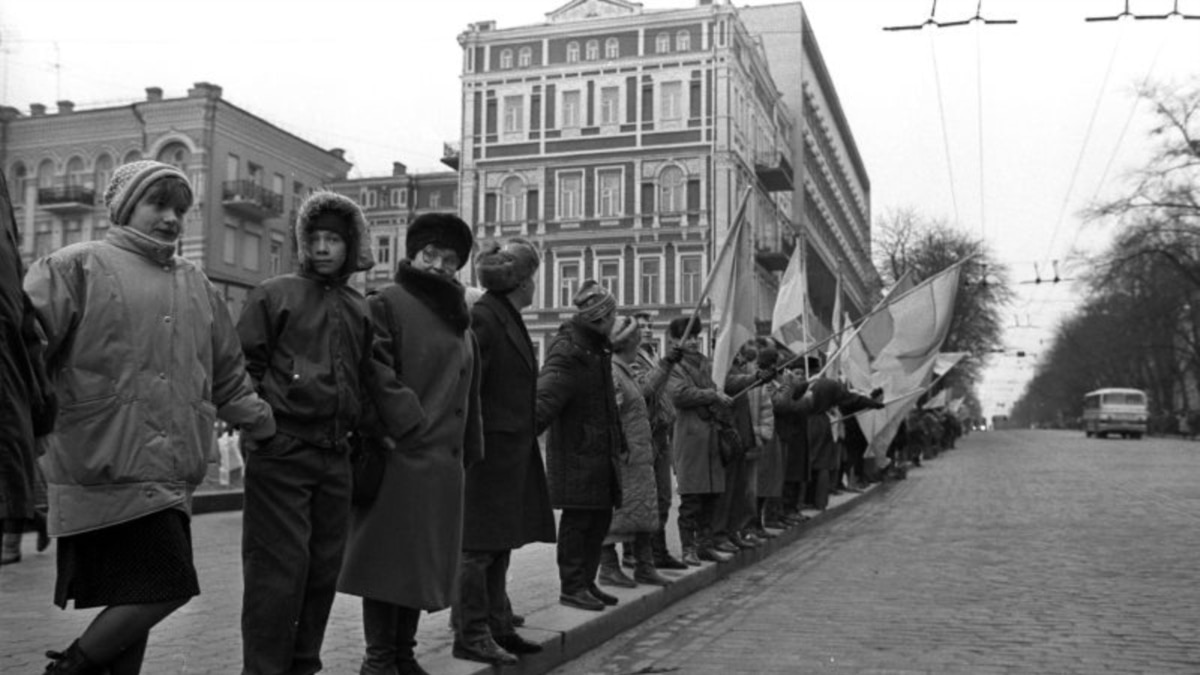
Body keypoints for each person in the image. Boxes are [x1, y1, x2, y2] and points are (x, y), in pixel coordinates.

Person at [25, 161, 276, 674]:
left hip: (169, 471)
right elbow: (29, 355)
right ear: (124, 208)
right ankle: (67, 669)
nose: (170, 219)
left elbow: (226, 371)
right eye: (157, 204)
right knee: (164, 588)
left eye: (180, 210)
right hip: (102, 463)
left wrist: (259, 419)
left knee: (135, 601)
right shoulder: (76, 266)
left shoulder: (197, 284)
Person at [238, 191, 425, 675]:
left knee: (322, 572)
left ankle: (304, 665)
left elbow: (366, 376)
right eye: (315, 238)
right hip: (282, 453)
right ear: (303, 242)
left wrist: (385, 431)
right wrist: (262, 428)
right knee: (277, 573)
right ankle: (263, 670)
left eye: (334, 240)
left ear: (350, 246)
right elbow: (243, 368)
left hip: (335, 456)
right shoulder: (274, 294)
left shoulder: (357, 305)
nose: (323, 248)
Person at [338, 212, 481, 675]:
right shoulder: (387, 302)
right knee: (388, 564)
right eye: (431, 255)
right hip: (400, 455)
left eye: (450, 259)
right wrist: (407, 425)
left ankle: (404, 654)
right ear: (413, 254)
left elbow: (467, 386)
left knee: (419, 563)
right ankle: (379, 661)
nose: (440, 265)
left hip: (442, 463)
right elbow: (371, 368)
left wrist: (469, 448)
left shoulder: (457, 312)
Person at [450, 239, 555, 665]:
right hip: (486, 454)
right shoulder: (486, 319)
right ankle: (471, 633)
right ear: (523, 282)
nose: (535, 288)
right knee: (477, 548)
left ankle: (499, 627)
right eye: (533, 279)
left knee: (499, 543)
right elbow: (470, 386)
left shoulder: (502, 315)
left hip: (506, 453)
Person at [536, 280, 626, 612]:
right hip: (577, 452)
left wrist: (619, 438)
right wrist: (524, 432)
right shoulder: (569, 348)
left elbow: (605, 402)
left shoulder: (596, 346)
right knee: (578, 523)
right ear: (600, 317)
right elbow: (546, 396)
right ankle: (572, 587)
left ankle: (587, 582)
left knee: (598, 521)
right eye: (613, 312)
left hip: (598, 451)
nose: (616, 317)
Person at [598, 316, 678, 589]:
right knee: (619, 514)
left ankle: (646, 566)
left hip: (641, 451)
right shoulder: (614, 371)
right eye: (636, 338)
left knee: (645, 508)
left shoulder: (625, 369)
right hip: (626, 455)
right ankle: (609, 568)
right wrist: (621, 447)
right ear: (628, 343)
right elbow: (613, 414)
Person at [2, 165, 54, 570]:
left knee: (10, 441)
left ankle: (13, 534)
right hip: (16, 350)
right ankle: (30, 513)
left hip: (12, 355)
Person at [665, 317, 736, 566]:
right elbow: (679, 395)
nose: (693, 341)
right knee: (691, 500)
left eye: (696, 336)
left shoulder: (704, 364)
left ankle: (705, 545)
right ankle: (688, 548)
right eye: (688, 337)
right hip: (690, 439)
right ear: (675, 340)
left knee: (711, 498)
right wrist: (713, 395)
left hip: (711, 439)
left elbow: (714, 389)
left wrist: (719, 396)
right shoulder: (674, 366)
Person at [630, 311, 687, 570]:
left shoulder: (650, 354)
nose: (648, 330)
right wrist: (665, 364)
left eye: (650, 326)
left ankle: (658, 549)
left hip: (661, 432)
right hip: (646, 433)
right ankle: (641, 552)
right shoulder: (630, 358)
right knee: (648, 497)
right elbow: (645, 389)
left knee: (663, 497)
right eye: (642, 326)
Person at [799, 378, 885, 510]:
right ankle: (818, 501)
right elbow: (853, 399)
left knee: (810, 463)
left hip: (809, 423)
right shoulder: (830, 387)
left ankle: (805, 500)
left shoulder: (808, 388)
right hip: (820, 424)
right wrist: (872, 404)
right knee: (821, 464)